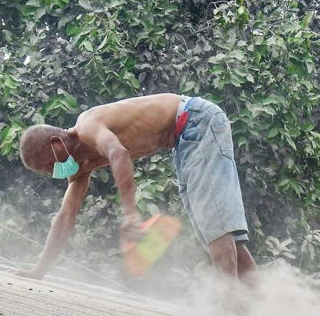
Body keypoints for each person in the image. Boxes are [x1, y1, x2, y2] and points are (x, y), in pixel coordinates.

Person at [17, 92, 256, 281]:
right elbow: (66, 217)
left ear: (56, 143)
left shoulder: (87, 125)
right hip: (183, 139)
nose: (53, 174)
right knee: (212, 229)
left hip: (194, 119)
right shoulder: (80, 167)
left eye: (48, 166)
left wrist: (131, 214)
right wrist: (40, 270)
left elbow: (118, 153)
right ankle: (269, 304)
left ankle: (230, 307)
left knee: (213, 221)